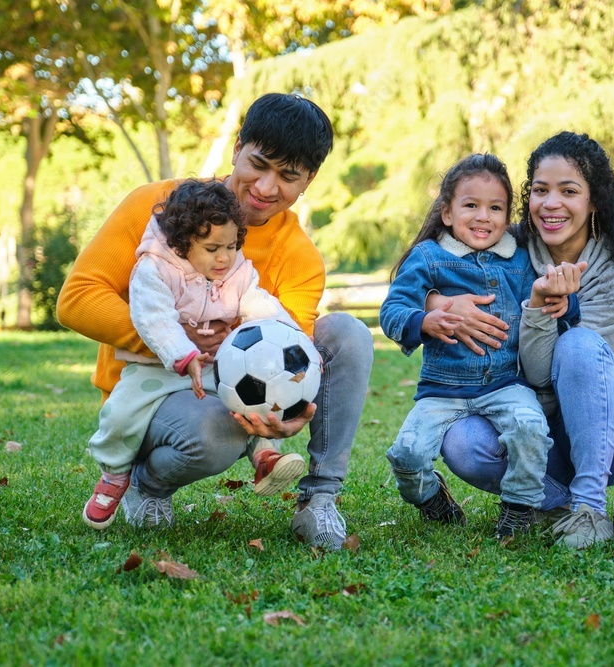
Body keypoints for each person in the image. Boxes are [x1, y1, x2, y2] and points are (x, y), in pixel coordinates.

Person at [58, 93, 374, 550]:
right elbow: (76, 299)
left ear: (310, 179)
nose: (266, 187)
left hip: (225, 389)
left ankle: (320, 499)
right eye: (258, 164)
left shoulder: (300, 256)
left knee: (347, 333)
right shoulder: (158, 205)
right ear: (237, 147)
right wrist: (175, 342)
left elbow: (290, 342)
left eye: (288, 176)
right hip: (146, 390)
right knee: (216, 434)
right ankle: (146, 482)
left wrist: (286, 404)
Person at [435, 131, 614, 549]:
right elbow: (431, 266)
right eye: (540, 190)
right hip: (536, 430)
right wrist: (437, 301)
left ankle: (591, 507)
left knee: (577, 345)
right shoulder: (508, 249)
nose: (551, 203)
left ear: (593, 200)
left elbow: (546, 372)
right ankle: (560, 506)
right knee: (462, 444)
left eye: (569, 191)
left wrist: (541, 307)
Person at [82, 178, 306, 530]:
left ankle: (263, 456)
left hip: (211, 365)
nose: (224, 257)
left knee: (249, 394)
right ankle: (114, 472)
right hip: (155, 367)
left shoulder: (236, 271)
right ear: (184, 243)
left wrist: (296, 341)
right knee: (121, 414)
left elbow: (261, 306)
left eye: (232, 245)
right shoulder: (154, 269)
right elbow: (153, 317)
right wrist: (183, 355)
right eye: (213, 247)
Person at [379, 153, 582, 538]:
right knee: (407, 454)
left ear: (508, 217)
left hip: (505, 385)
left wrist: (564, 301)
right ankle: (430, 496)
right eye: (470, 205)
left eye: (495, 208)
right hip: (442, 390)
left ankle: (519, 507)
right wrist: (424, 320)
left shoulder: (519, 260)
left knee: (530, 429)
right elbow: (392, 310)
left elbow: (544, 298)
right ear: (448, 213)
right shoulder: (430, 257)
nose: (483, 217)